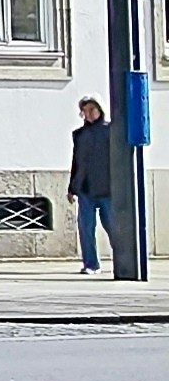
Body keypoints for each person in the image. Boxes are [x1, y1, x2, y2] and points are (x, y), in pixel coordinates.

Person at [69, 97, 122, 275]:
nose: (89, 114)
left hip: (107, 188)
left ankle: (122, 261)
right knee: (86, 227)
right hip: (85, 188)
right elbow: (76, 161)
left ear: (99, 110)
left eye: (92, 109)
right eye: (85, 111)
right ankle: (91, 264)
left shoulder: (110, 130)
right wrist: (72, 187)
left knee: (113, 226)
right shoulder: (79, 134)